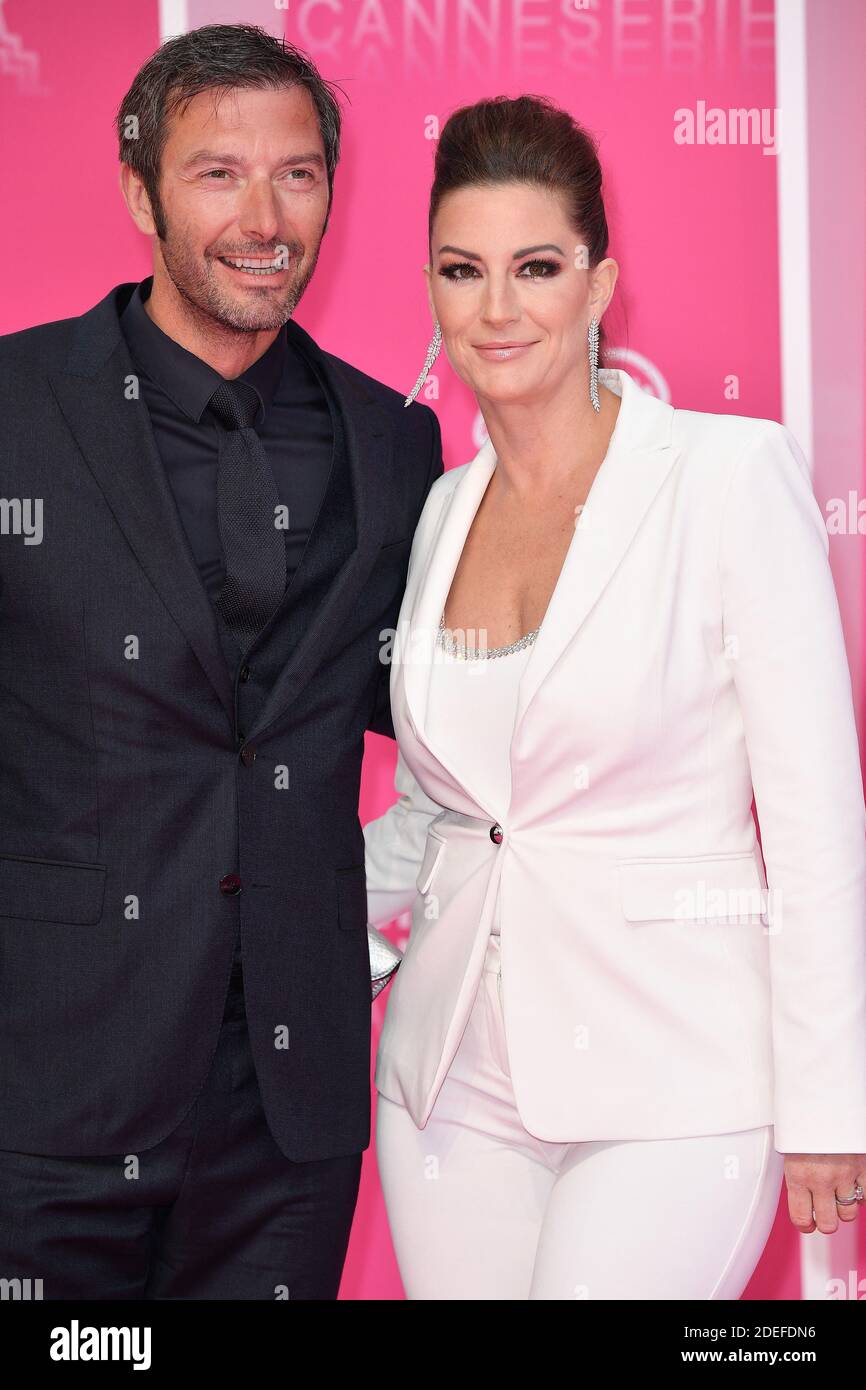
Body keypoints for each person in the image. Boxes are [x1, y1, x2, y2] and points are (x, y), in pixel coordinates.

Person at [364, 94, 866, 1299]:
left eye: (536, 267)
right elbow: (450, 815)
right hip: (449, 1088)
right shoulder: (440, 511)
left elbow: (809, 819)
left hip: (676, 1080)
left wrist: (827, 1098)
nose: (496, 309)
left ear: (599, 286)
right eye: (461, 269)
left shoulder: (725, 476)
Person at [0, 23, 442, 1299]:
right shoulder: (18, 412)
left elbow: (431, 710)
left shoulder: (390, 444)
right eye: (217, 174)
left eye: (297, 174)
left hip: (286, 1118)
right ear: (139, 192)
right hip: (47, 1097)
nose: (265, 216)